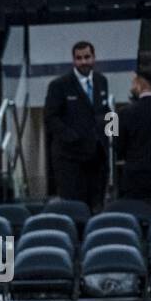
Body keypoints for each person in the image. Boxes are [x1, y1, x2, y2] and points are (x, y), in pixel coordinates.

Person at [44, 41, 110, 211]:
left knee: (97, 205)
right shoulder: (59, 85)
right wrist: (72, 137)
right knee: (74, 207)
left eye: (87, 57)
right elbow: (51, 118)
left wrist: (113, 135)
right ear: (73, 60)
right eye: (79, 58)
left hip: (97, 156)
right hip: (70, 158)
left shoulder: (101, 81)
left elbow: (106, 110)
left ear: (94, 58)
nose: (83, 62)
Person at [117, 67, 151, 210]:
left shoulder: (123, 112)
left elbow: (117, 145)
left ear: (138, 84)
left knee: (135, 215)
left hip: (134, 176)